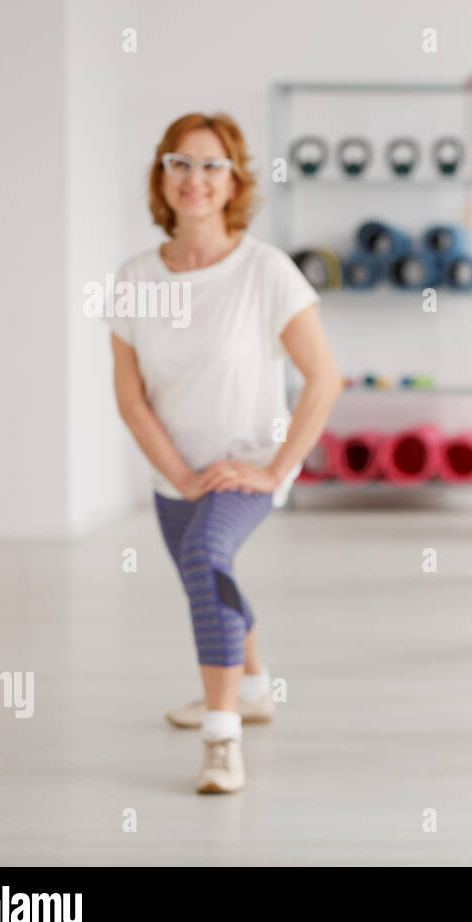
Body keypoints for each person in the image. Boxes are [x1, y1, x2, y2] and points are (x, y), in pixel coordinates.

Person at [107, 113, 342, 793]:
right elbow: (131, 399)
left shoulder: (266, 271)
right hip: (172, 474)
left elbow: (325, 378)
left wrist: (274, 469)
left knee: (208, 565)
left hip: (245, 470)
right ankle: (256, 686)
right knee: (208, 581)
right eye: (180, 163)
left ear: (234, 180)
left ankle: (221, 736)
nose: (195, 179)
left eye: (212, 166)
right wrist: (178, 475)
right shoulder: (132, 278)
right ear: (161, 174)